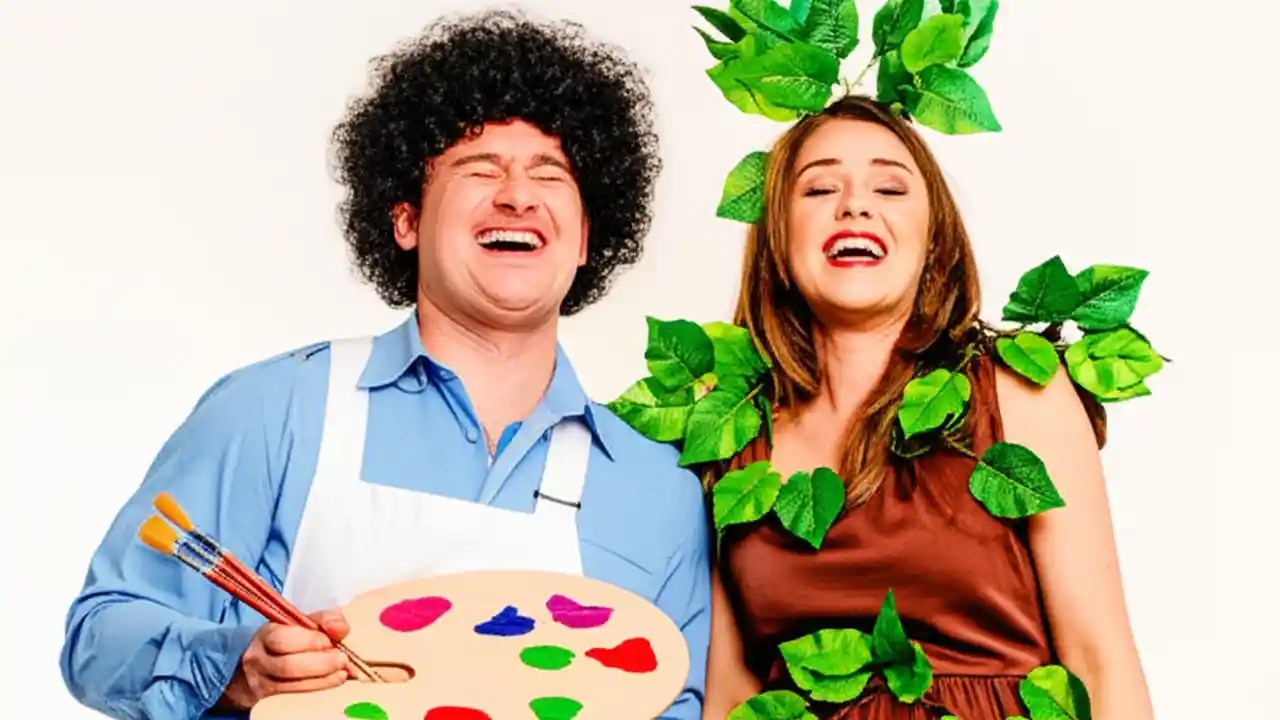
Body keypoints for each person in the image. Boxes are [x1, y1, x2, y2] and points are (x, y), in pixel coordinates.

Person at [58, 9, 710, 719]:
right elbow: (100, 635)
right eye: (479, 167)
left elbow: (673, 703)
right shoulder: (277, 411)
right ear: (404, 219)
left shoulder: (656, 491)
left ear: (586, 237)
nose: (517, 194)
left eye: (548, 173)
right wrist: (239, 666)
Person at [700, 96, 1155, 719]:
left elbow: (1101, 665)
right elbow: (729, 692)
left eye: (889, 187)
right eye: (819, 188)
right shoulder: (729, 428)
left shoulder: (1017, 394)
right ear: (778, 235)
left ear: (934, 236)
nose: (854, 204)